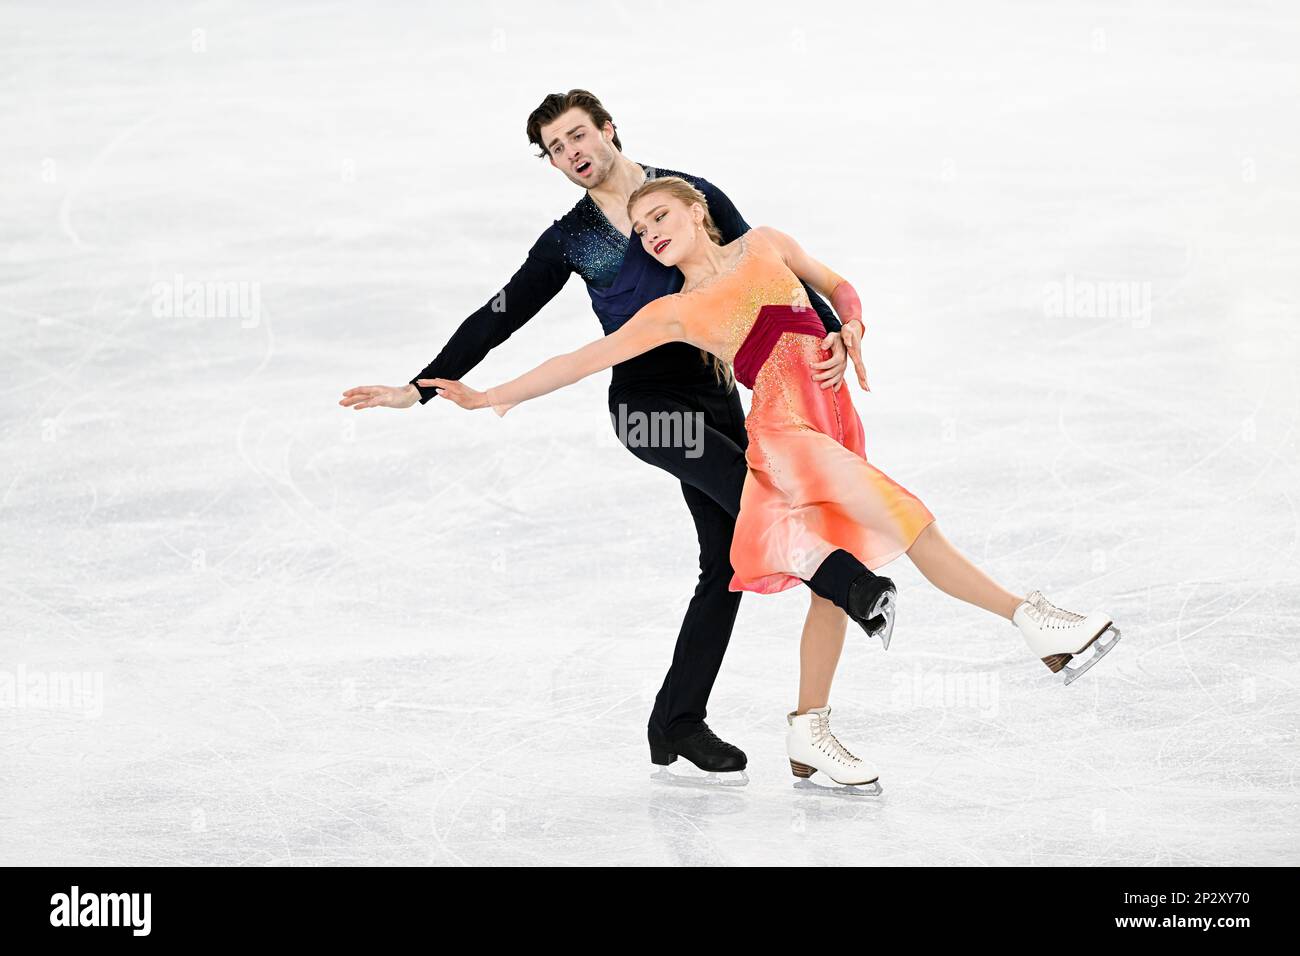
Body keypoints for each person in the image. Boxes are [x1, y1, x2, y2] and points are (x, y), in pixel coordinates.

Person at [425, 176, 1123, 787]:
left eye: (661, 217)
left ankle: (807, 733)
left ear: (696, 212)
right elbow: (583, 358)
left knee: (837, 587)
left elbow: (838, 285)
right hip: (787, 437)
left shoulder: (764, 242)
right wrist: (492, 396)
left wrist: (850, 327)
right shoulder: (674, 311)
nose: (651, 234)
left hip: (834, 422)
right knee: (913, 523)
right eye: (640, 230)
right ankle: (1031, 619)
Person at [339, 90, 896, 783]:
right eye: (555, 149)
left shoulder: (686, 197)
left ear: (608, 130)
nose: (571, 154)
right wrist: (421, 388)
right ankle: (853, 585)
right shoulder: (571, 238)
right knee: (752, 496)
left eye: (577, 136)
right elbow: (500, 312)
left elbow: (767, 270)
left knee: (724, 561)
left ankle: (675, 723)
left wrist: (831, 333)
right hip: (646, 405)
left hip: (718, 394)